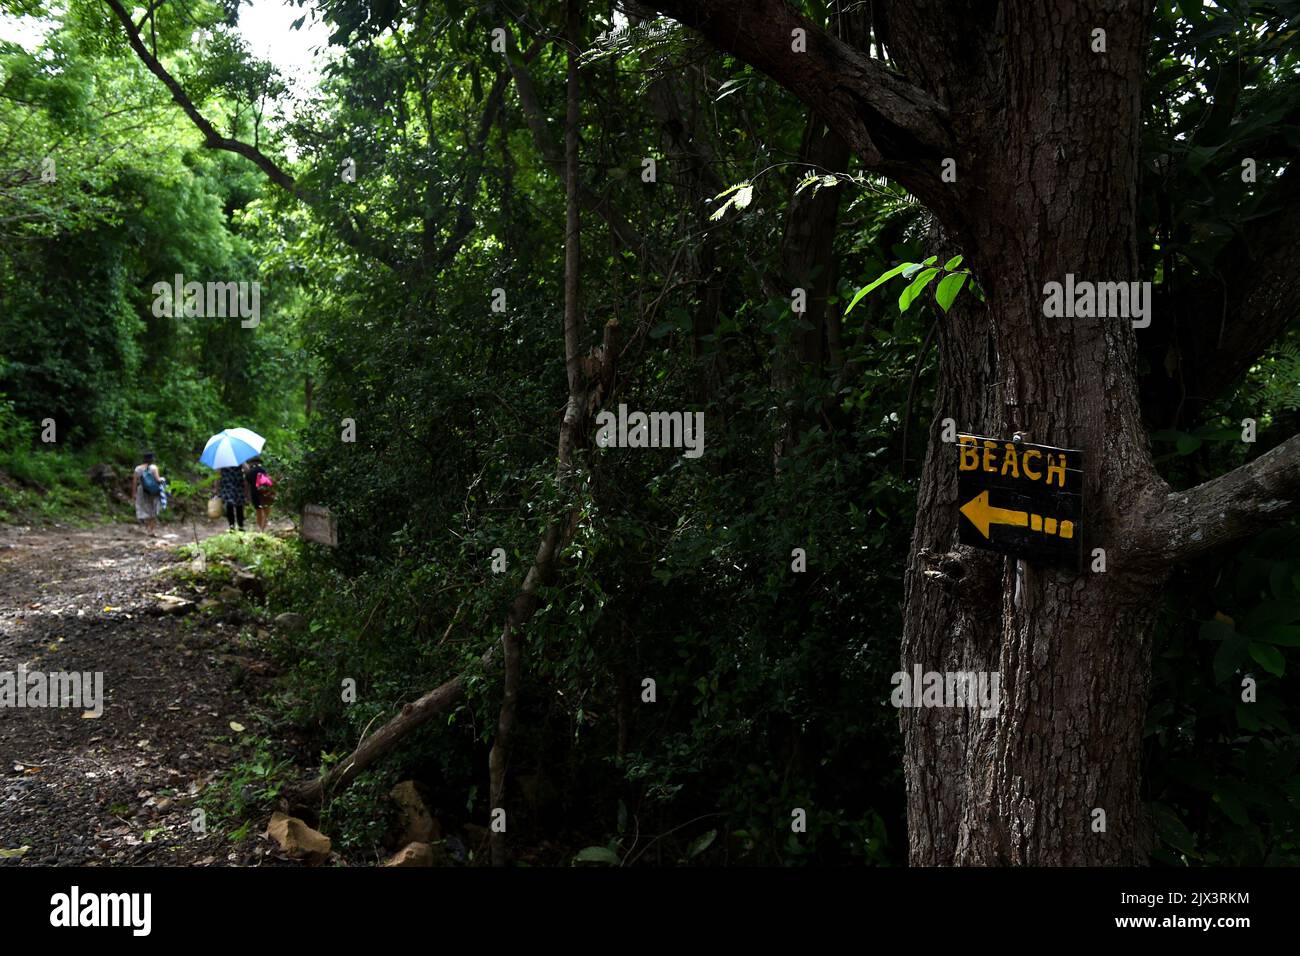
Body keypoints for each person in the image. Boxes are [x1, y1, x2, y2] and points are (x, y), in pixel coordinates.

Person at [131, 452, 165, 536]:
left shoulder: (138, 468)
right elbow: (157, 480)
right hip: (153, 491)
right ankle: (151, 530)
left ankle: (147, 528)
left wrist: (133, 493)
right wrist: (163, 480)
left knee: (145, 508)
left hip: (142, 490)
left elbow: (134, 482)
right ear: (152, 459)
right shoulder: (153, 467)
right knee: (153, 510)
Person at [243, 456, 273, 531]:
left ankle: (260, 528)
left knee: (258, 511)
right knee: (266, 511)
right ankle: (263, 528)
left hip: (254, 493)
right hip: (264, 492)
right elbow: (269, 481)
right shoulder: (263, 470)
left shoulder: (249, 473)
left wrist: (246, 496)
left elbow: (246, 485)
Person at [215, 463, 247, 532]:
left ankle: (232, 526)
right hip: (238, 485)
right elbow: (247, 469)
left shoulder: (222, 462)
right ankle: (240, 526)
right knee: (239, 506)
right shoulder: (238, 459)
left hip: (227, 486)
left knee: (229, 506)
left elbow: (217, 476)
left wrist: (216, 489)